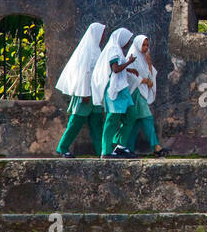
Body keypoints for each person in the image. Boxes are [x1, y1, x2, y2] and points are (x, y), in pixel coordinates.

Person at [53, 22, 106, 157]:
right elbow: (83, 73)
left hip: (94, 93)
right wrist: (84, 92)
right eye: (102, 33)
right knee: (76, 121)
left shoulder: (96, 50)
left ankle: (102, 151)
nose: (104, 36)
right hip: (85, 93)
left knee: (96, 122)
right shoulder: (87, 51)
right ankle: (62, 148)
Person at [91, 27, 137, 157]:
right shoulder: (113, 50)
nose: (128, 43)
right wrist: (129, 62)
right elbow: (115, 69)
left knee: (131, 114)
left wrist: (128, 69)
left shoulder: (119, 51)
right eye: (127, 40)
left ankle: (120, 145)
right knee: (112, 120)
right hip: (115, 91)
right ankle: (105, 151)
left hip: (123, 89)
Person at [124, 34, 166, 157]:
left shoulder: (144, 58)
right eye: (143, 45)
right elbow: (129, 75)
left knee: (136, 122)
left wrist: (149, 62)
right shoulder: (132, 56)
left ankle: (128, 148)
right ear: (137, 44)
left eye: (147, 45)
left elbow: (151, 74)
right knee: (147, 117)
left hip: (142, 91)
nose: (146, 47)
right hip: (135, 91)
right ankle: (156, 146)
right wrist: (143, 81)